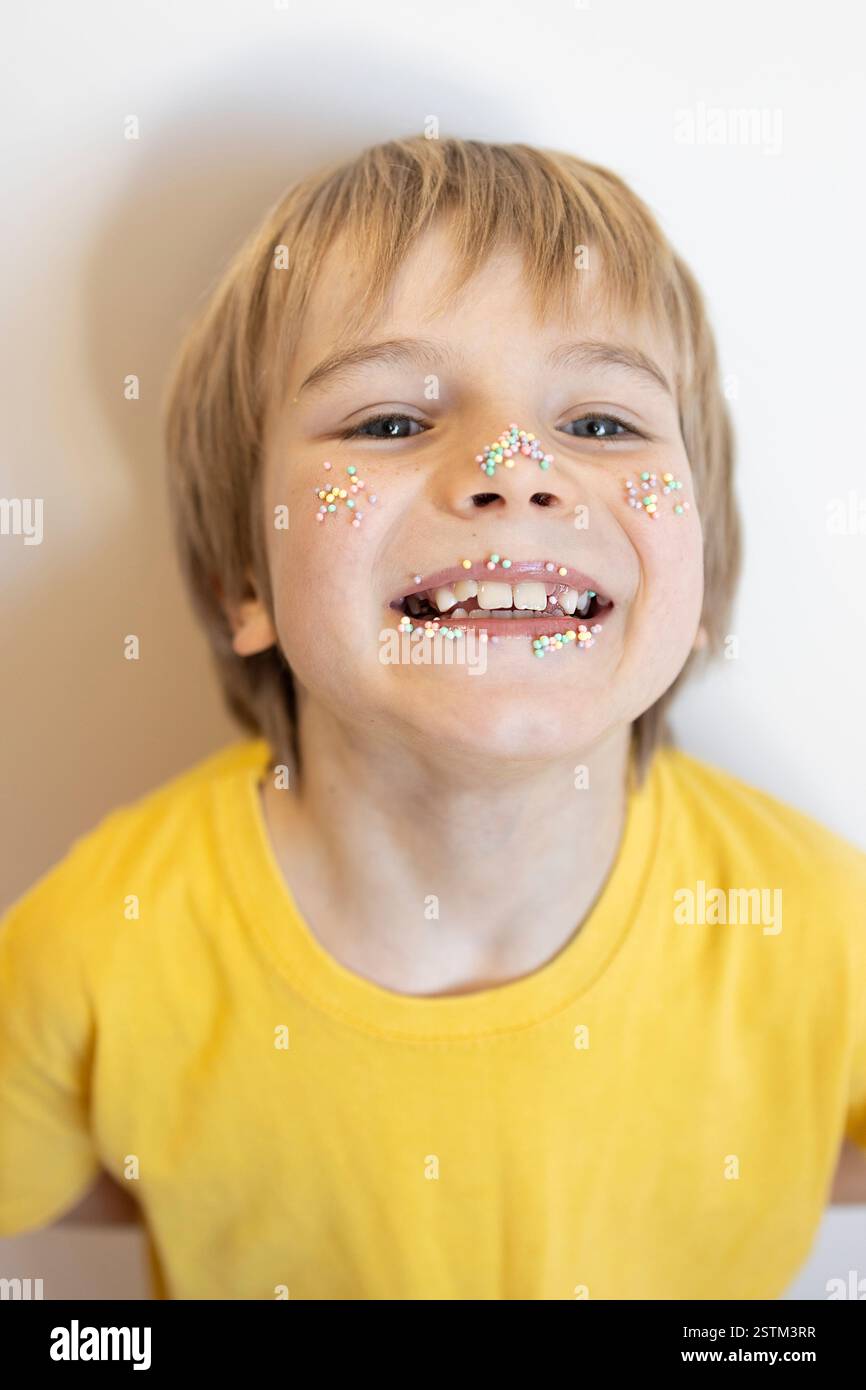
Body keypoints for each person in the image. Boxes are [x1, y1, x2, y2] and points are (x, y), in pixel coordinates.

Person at [2, 135, 864, 1300]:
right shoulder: (99, 946)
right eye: (390, 422)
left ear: (698, 580)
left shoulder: (823, 932)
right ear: (241, 581)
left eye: (601, 425)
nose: (515, 469)